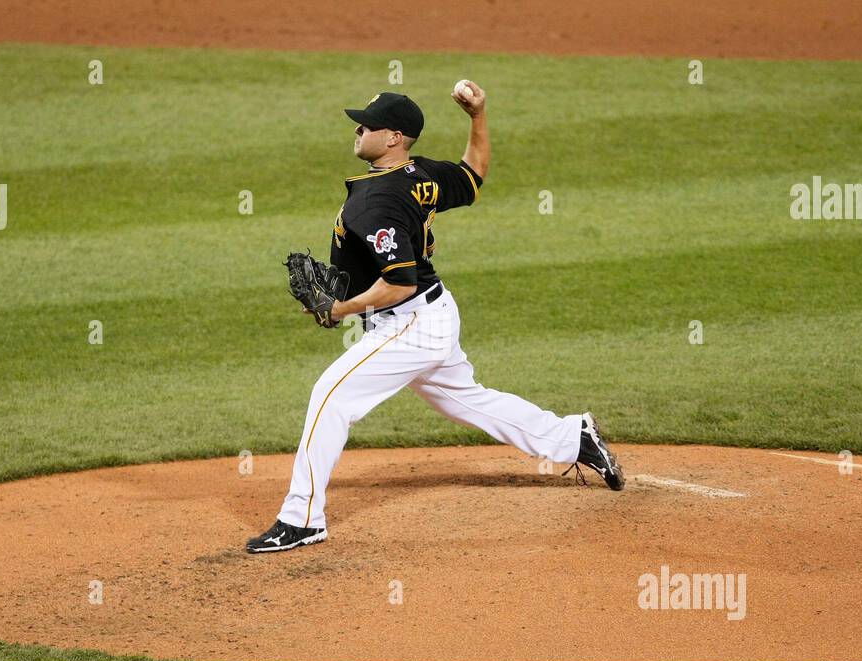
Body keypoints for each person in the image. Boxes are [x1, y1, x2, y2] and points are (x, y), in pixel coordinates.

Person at [247, 84, 624, 553]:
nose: (358, 129)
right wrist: (479, 116)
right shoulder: (418, 174)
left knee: (330, 396)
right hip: (432, 313)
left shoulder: (377, 201)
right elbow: (473, 175)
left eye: (367, 124)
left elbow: (399, 282)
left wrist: (336, 309)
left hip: (410, 323)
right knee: (467, 401)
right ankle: (573, 437)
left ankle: (302, 518)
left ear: (394, 138)